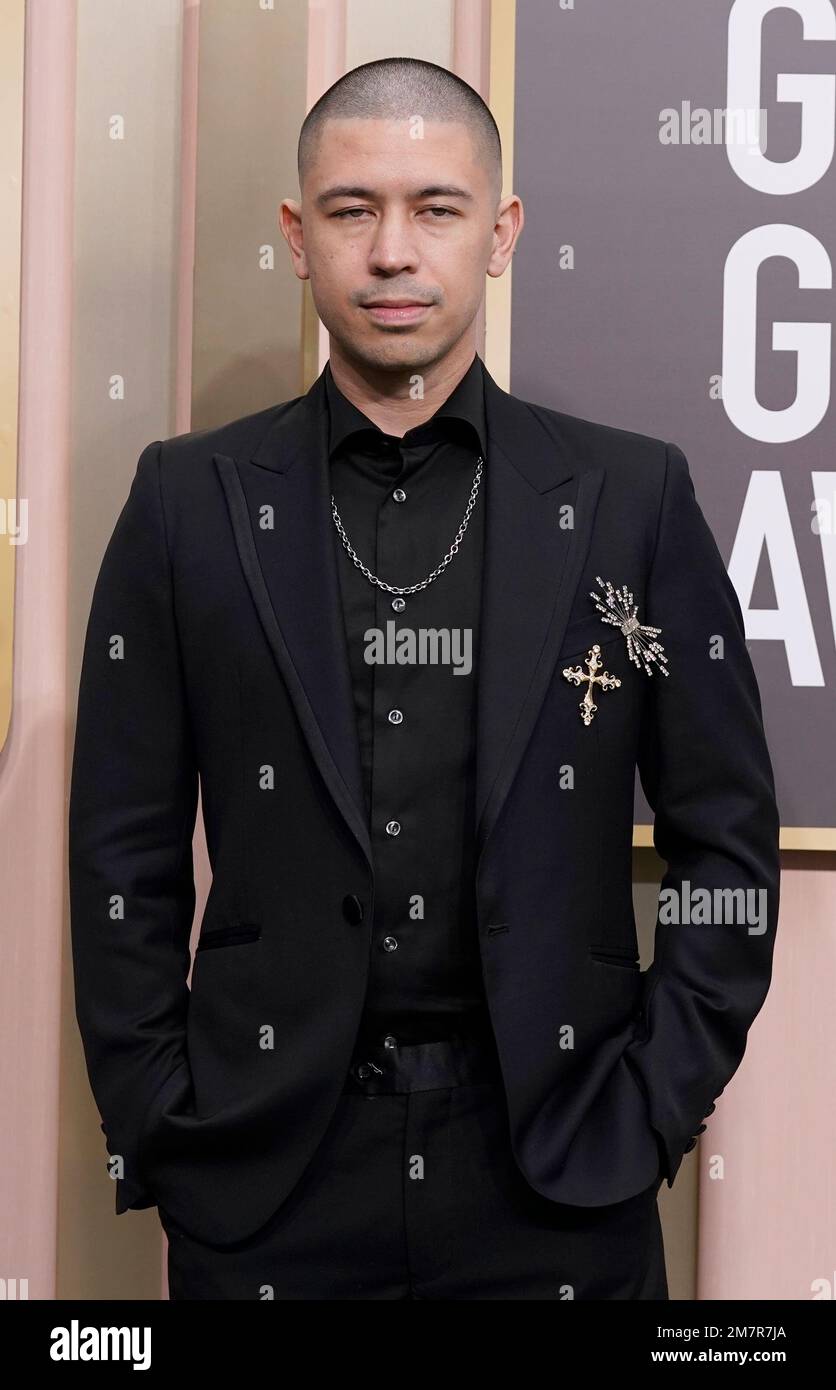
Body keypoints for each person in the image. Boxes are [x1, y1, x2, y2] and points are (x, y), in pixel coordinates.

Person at [69, 57, 781, 1300]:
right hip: (265, 1179)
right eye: (351, 210)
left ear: (500, 234)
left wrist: (648, 1109)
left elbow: (725, 847)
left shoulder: (631, 500)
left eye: (435, 209)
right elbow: (119, 854)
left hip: (556, 1175)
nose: (392, 250)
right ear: (297, 236)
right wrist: (165, 1123)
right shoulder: (188, 502)